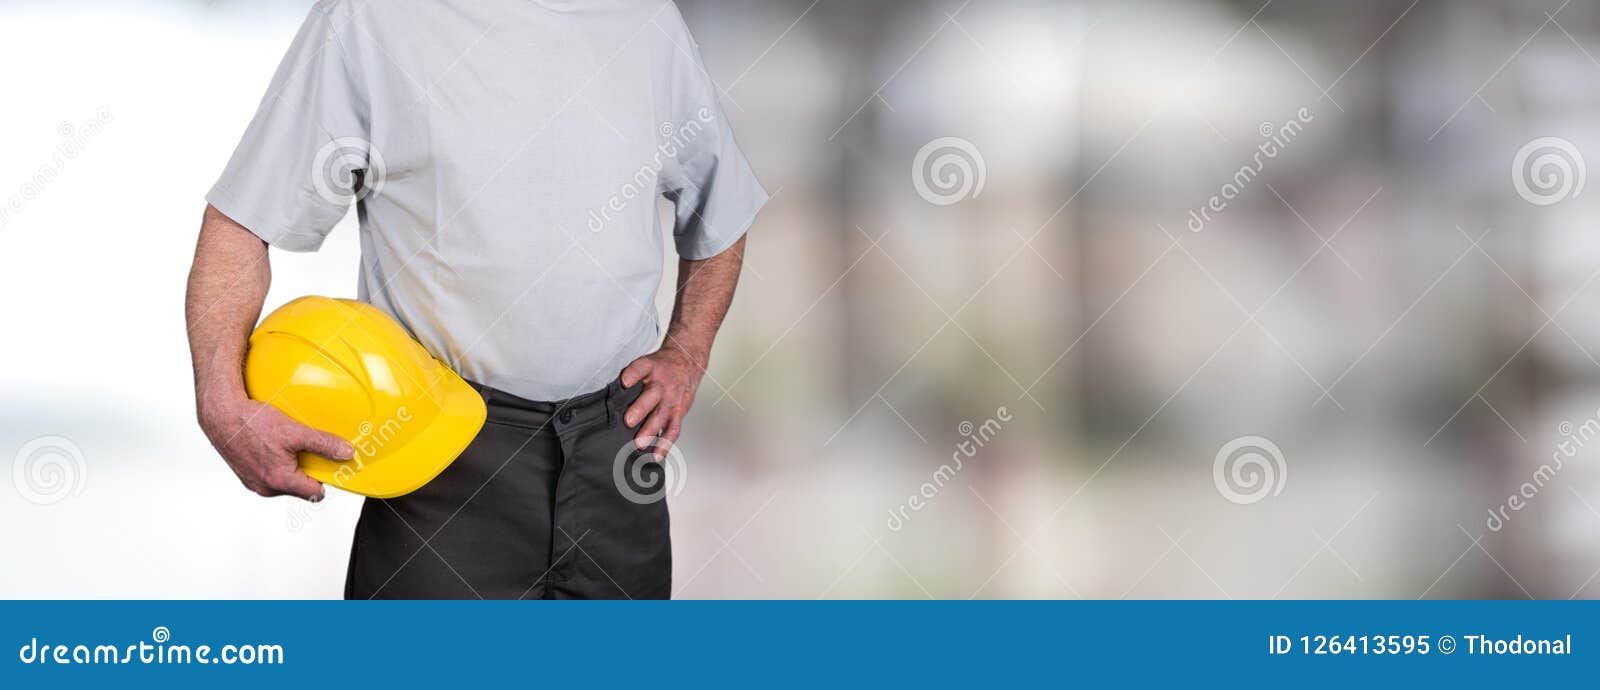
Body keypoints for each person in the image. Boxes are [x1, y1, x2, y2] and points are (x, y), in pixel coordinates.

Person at [184, 0, 766, 600]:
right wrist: (220, 400)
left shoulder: (645, 20)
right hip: (440, 461)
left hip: (618, 463)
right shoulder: (369, 19)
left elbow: (722, 207)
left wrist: (688, 351)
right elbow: (241, 223)